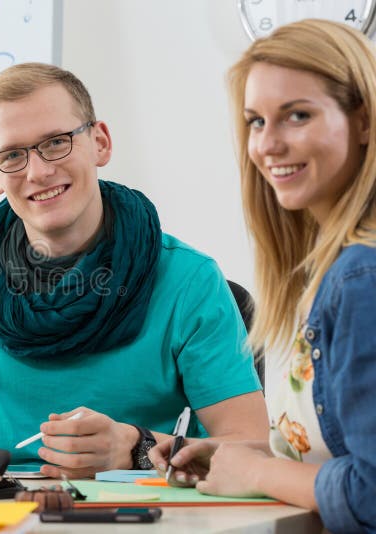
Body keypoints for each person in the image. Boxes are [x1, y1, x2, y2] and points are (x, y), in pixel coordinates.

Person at [0, 63, 268, 478]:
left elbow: (253, 449)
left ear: (100, 143)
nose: (38, 171)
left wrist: (135, 448)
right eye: (13, 155)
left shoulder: (189, 280)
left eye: (55, 142)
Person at [148, 20, 376, 532]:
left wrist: (258, 469)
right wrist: (241, 456)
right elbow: (337, 450)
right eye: (255, 121)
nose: (268, 145)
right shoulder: (319, 272)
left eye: (297, 115)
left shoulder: (362, 279)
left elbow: (373, 492)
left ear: (363, 121)